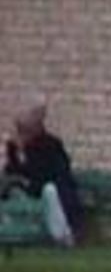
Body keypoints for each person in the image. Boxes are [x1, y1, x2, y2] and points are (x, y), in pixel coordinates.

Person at [3, 99, 82, 246]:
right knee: (11, 190)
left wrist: (24, 156)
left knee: (50, 190)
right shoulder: (16, 147)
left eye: (25, 130)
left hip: (53, 188)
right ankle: (13, 231)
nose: (22, 134)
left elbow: (45, 173)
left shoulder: (50, 144)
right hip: (28, 188)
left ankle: (62, 236)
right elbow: (12, 171)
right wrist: (16, 153)